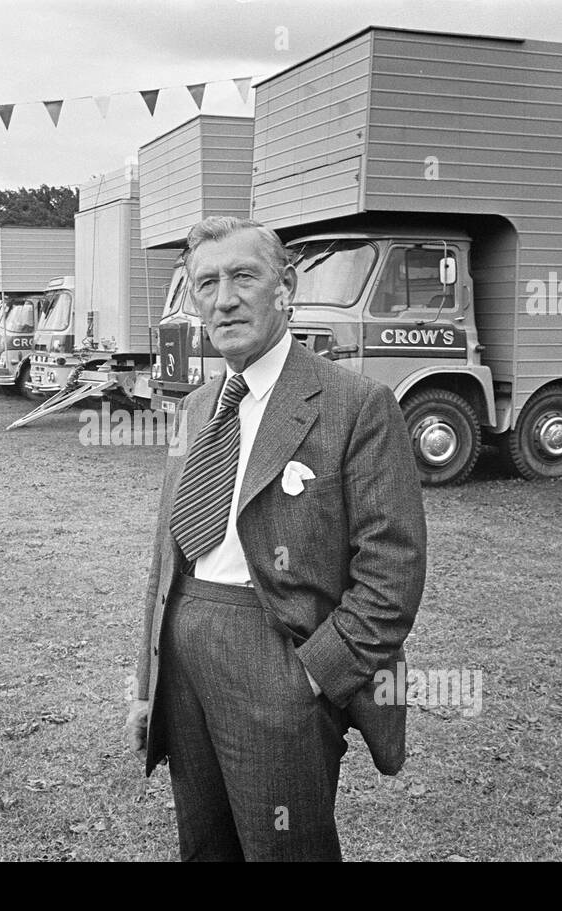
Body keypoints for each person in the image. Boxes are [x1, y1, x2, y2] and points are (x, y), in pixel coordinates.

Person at [127, 216, 427, 861]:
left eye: (243, 276)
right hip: (186, 656)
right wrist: (148, 684)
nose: (224, 298)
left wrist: (314, 678)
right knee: (206, 847)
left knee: (284, 851)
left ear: (285, 287)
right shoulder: (199, 405)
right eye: (206, 283)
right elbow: (165, 559)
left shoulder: (356, 404)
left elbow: (393, 568)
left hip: (279, 658)